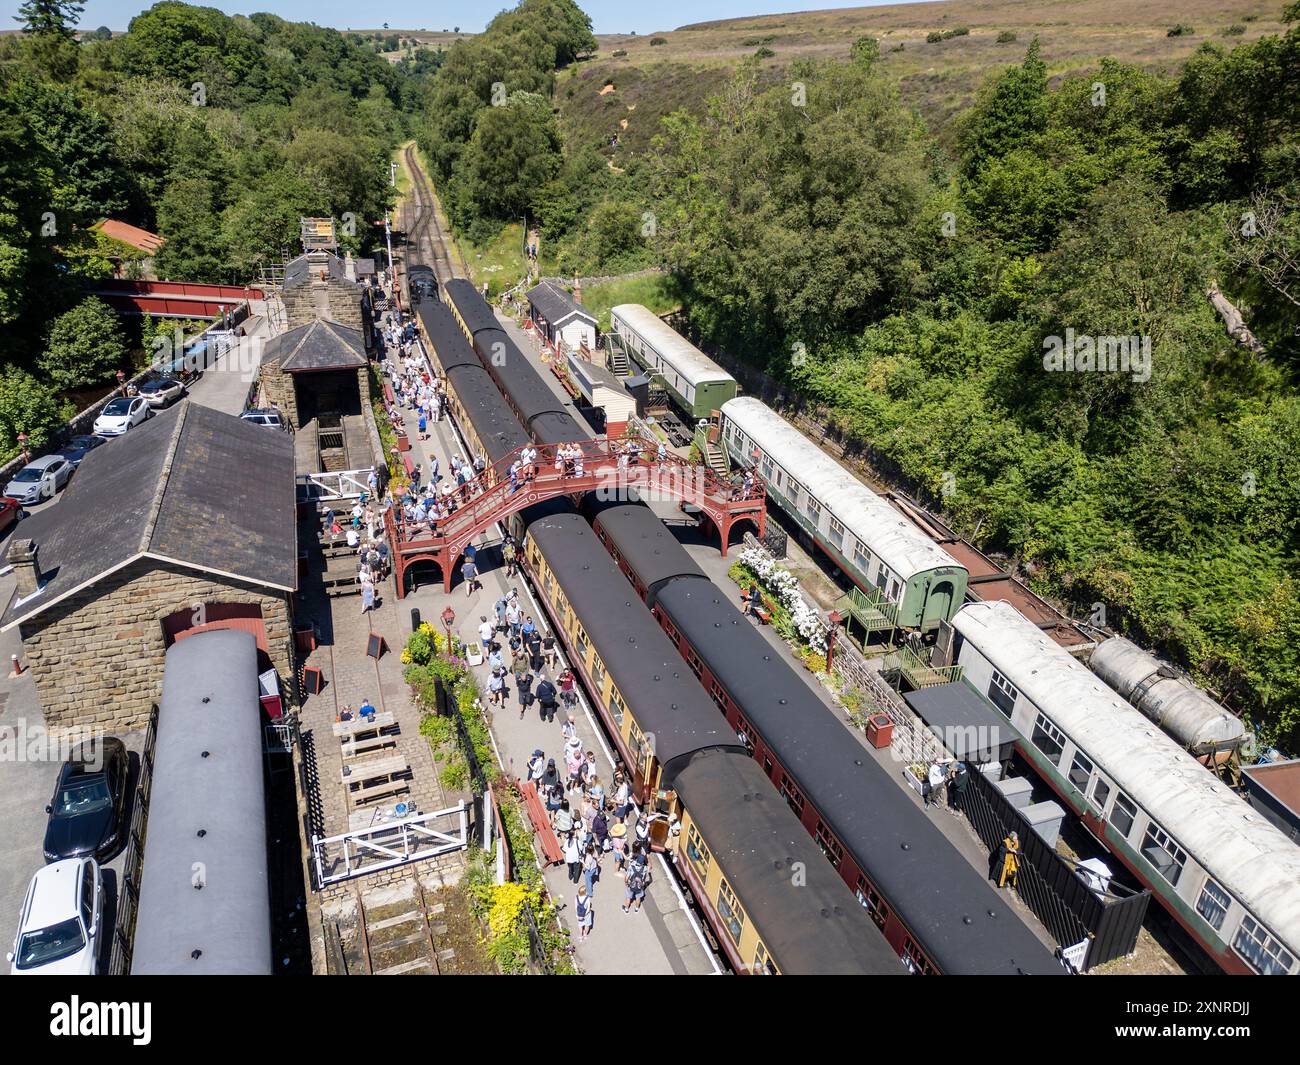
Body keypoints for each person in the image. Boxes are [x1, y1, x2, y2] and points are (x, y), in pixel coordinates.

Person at [623, 847, 650, 914]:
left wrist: (626, 883)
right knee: (638, 898)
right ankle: (636, 909)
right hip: (639, 886)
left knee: (628, 897)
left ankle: (626, 909)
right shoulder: (645, 868)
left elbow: (626, 877)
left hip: (631, 885)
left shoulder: (631, 866)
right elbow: (645, 876)